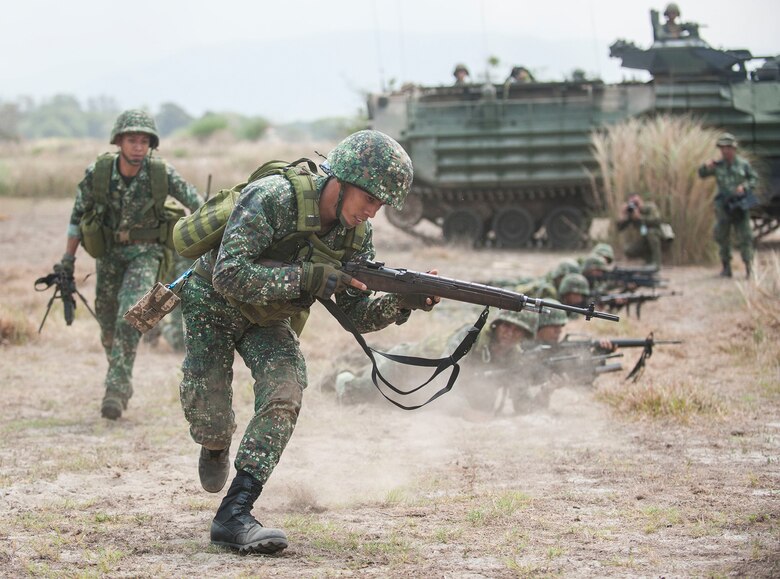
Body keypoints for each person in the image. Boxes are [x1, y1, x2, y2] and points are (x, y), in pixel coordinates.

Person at [178, 130, 440, 554]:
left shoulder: (355, 237)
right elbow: (228, 274)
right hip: (213, 303)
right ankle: (214, 443)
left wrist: (401, 302)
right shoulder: (273, 197)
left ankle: (234, 514)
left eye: (380, 206)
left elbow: (356, 314)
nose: (372, 213)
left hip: (270, 318)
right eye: (369, 199)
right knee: (209, 416)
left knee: (286, 390)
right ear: (344, 179)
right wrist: (307, 277)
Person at [60, 109, 202, 420]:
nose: (138, 146)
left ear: (151, 144)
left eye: (143, 141)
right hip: (109, 256)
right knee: (109, 327)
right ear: (119, 141)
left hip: (146, 254)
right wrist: (67, 260)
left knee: (131, 315)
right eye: (131, 140)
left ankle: (116, 388)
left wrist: (210, 239)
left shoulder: (160, 172)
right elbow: (76, 217)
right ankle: (120, 377)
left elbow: (197, 202)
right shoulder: (98, 173)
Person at [698, 132, 758, 278]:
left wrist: (744, 187)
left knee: (745, 237)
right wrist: (705, 166)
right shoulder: (718, 165)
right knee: (722, 237)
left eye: (728, 148)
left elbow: (754, 179)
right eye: (723, 148)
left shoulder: (743, 164)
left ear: (734, 149)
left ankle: (749, 267)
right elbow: (701, 174)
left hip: (740, 205)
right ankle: (726, 267)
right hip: (724, 207)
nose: (725, 151)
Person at [616, 193, 663, 267]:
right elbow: (619, 228)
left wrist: (640, 217)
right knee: (628, 250)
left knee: (651, 233)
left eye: (636, 203)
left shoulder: (650, 207)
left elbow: (657, 221)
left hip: (659, 236)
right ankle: (649, 261)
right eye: (632, 203)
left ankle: (657, 263)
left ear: (641, 200)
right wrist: (622, 215)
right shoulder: (632, 213)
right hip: (645, 239)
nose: (635, 205)